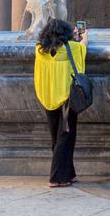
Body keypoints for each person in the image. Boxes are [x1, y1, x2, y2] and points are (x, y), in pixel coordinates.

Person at [33, 18, 87, 188]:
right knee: (65, 137)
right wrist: (83, 36)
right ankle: (56, 177)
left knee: (57, 137)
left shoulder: (40, 50)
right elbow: (83, 47)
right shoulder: (72, 48)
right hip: (66, 97)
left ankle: (68, 173)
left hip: (48, 96)